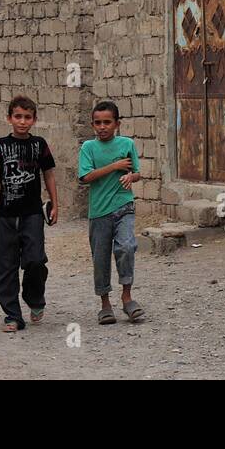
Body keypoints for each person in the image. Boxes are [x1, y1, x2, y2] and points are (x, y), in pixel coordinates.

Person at [0, 95, 58, 333]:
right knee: (6, 266)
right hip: (6, 215)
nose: (22, 121)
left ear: (34, 120)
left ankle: (35, 298)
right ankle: (13, 316)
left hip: (33, 215)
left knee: (36, 260)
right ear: (9, 118)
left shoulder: (40, 145)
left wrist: (55, 204)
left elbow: (48, 174)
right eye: (18, 116)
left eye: (28, 117)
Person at [78, 101, 145, 325]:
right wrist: (114, 168)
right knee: (100, 258)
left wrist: (130, 177)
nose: (102, 127)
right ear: (92, 125)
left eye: (107, 122)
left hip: (123, 206)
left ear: (117, 123)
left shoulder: (127, 144)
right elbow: (85, 178)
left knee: (126, 246)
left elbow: (136, 173)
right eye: (98, 123)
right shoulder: (88, 148)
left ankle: (127, 297)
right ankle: (105, 304)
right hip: (99, 211)